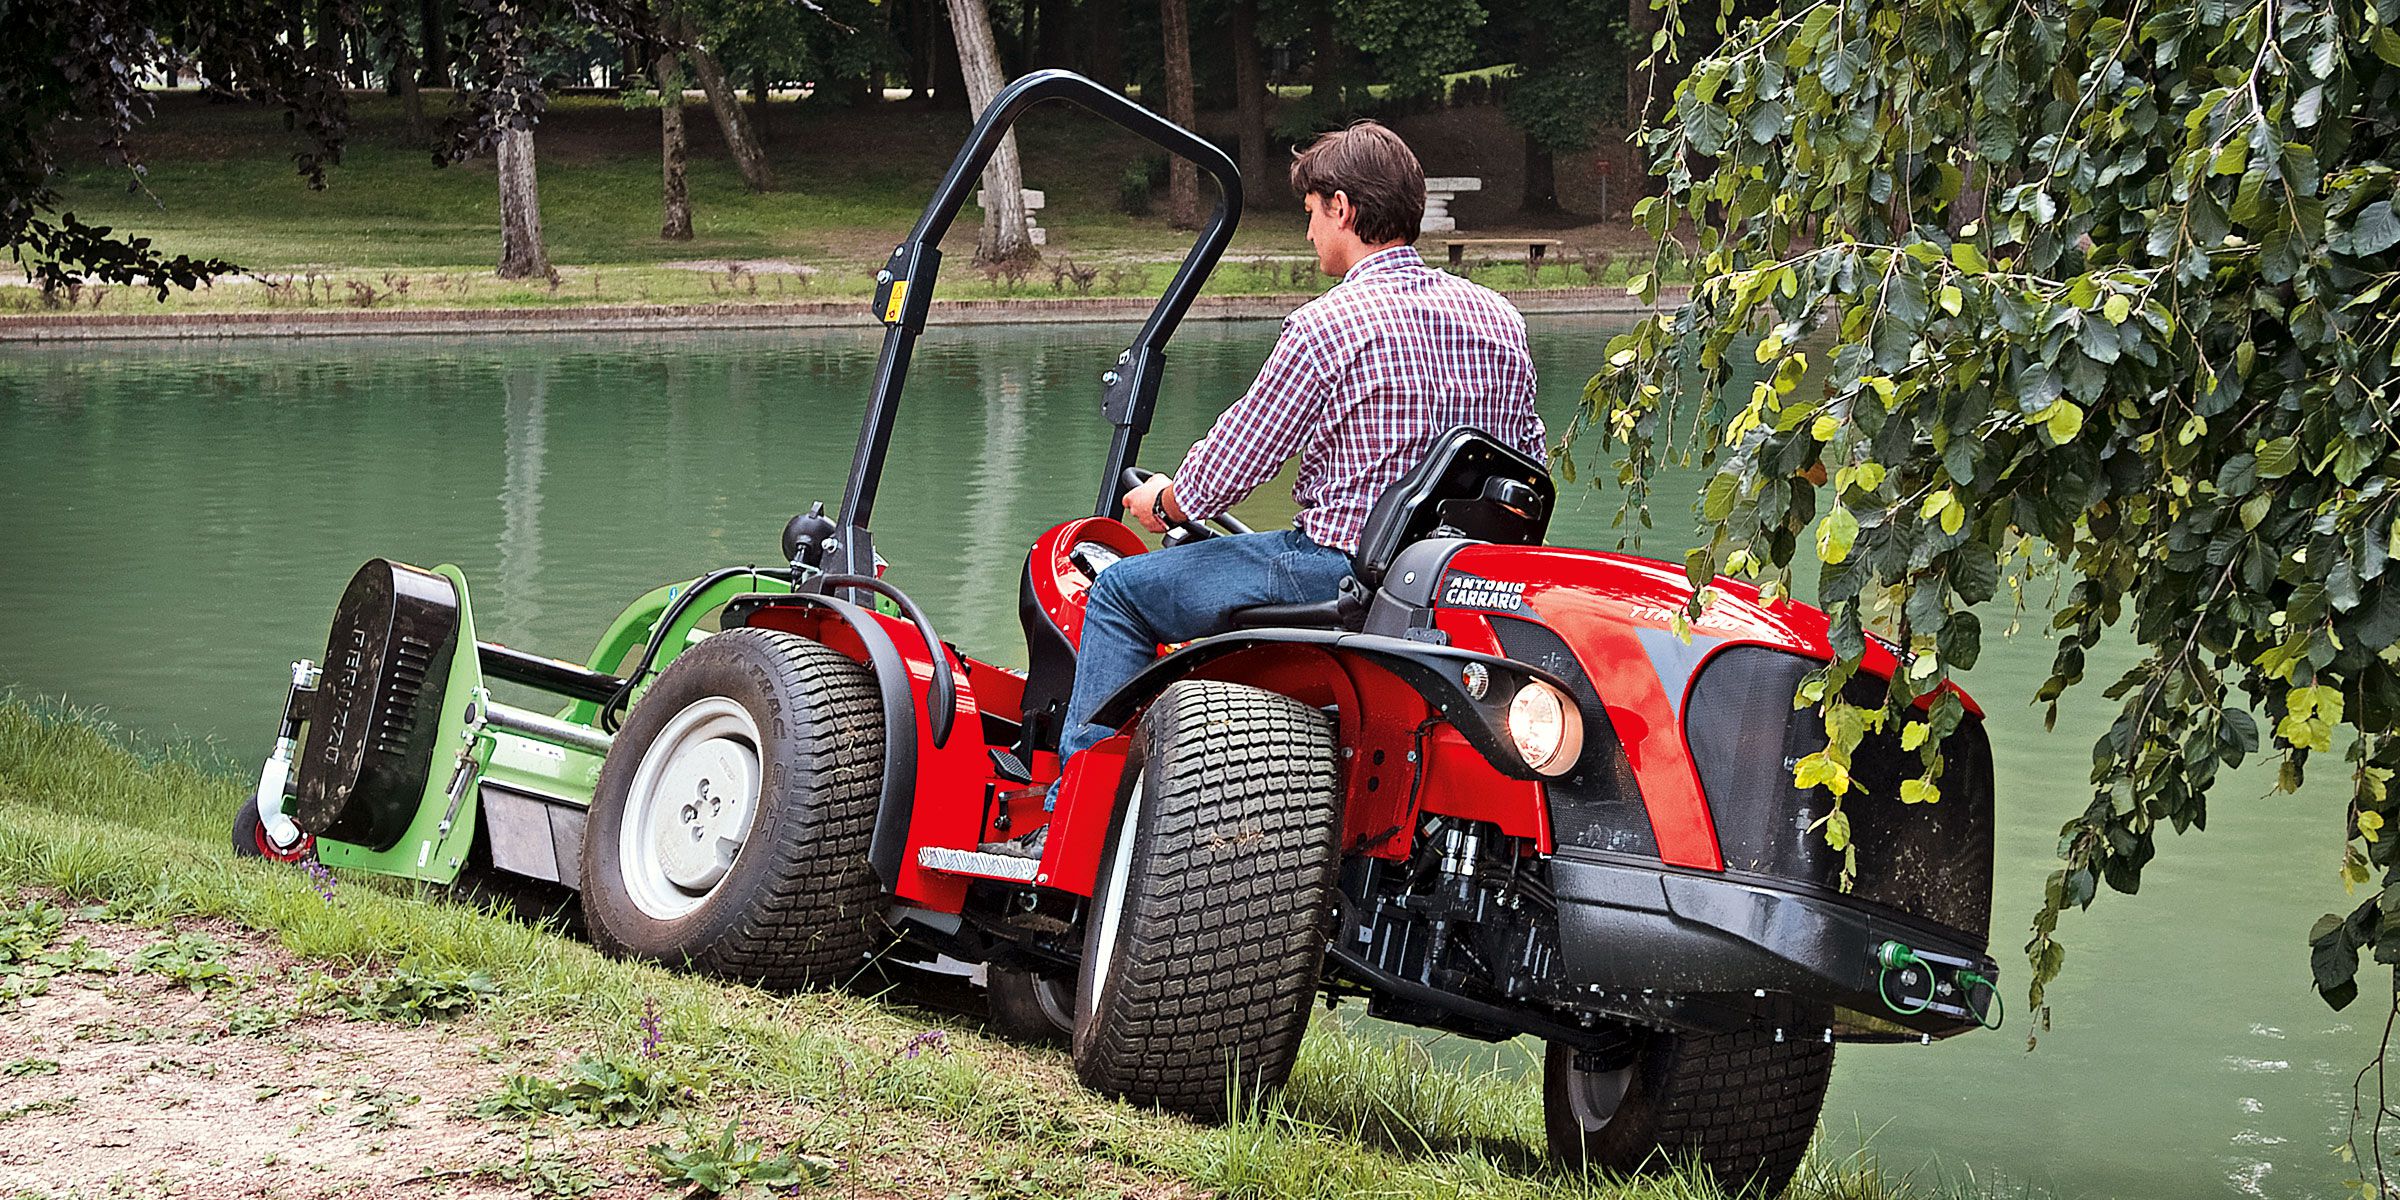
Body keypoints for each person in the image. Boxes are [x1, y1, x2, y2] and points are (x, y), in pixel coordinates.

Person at [990, 120, 1546, 857]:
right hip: (1460, 586)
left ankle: (1071, 824)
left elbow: (1230, 469)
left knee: (1122, 592)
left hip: (1340, 570)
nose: (1309, 230)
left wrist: (1165, 502)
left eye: (1311, 211)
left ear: (1342, 208)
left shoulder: (1329, 324)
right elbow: (1527, 467)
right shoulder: (1499, 320)